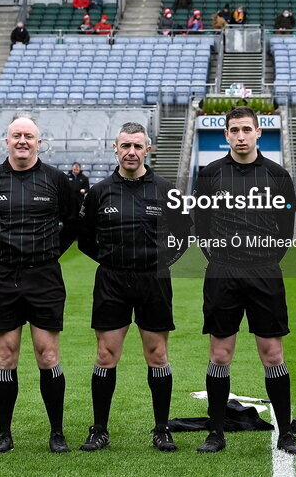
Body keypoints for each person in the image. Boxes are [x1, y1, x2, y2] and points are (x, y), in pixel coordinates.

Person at [76, 122, 193, 452]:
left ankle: (161, 429)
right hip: (112, 280)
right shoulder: (100, 192)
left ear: (147, 149)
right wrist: (110, 258)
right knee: (105, 355)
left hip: (153, 281)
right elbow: (84, 238)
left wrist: (163, 260)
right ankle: (99, 429)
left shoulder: (166, 190)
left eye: (137, 146)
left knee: (157, 355)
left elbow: (184, 233)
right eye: (125, 145)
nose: (131, 152)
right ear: (115, 148)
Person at [192, 106, 296, 455]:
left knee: (272, 354)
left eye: (246, 129)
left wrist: (264, 258)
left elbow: (285, 230)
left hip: (264, 271)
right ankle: (216, 433)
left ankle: (286, 432)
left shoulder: (277, 175)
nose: (240, 136)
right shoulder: (209, 174)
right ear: (226, 135)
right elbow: (201, 224)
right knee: (220, 354)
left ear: (259, 133)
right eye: (234, 130)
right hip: (223, 271)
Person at [0, 115, 79, 454]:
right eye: (16, 135)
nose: (22, 141)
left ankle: (57, 432)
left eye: (28, 136)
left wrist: (47, 254)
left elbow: (72, 224)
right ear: (6, 141)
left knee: (48, 355)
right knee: (6, 356)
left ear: (39, 142)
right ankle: (4, 433)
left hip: (43, 276)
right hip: (3, 276)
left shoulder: (56, 180)